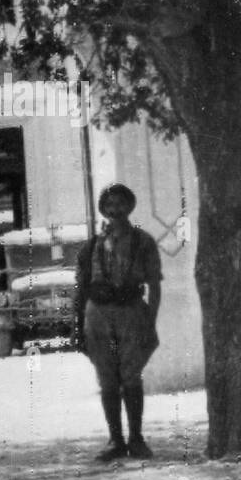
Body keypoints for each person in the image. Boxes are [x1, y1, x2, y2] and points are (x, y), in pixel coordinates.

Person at [75, 184, 161, 461]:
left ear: (129, 207)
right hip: (98, 314)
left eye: (120, 204)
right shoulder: (91, 246)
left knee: (131, 375)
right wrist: (77, 326)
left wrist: (151, 321)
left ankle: (136, 439)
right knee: (107, 377)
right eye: (109, 205)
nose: (115, 210)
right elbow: (80, 288)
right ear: (103, 209)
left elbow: (155, 285)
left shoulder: (143, 241)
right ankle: (115, 440)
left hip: (131, 311)